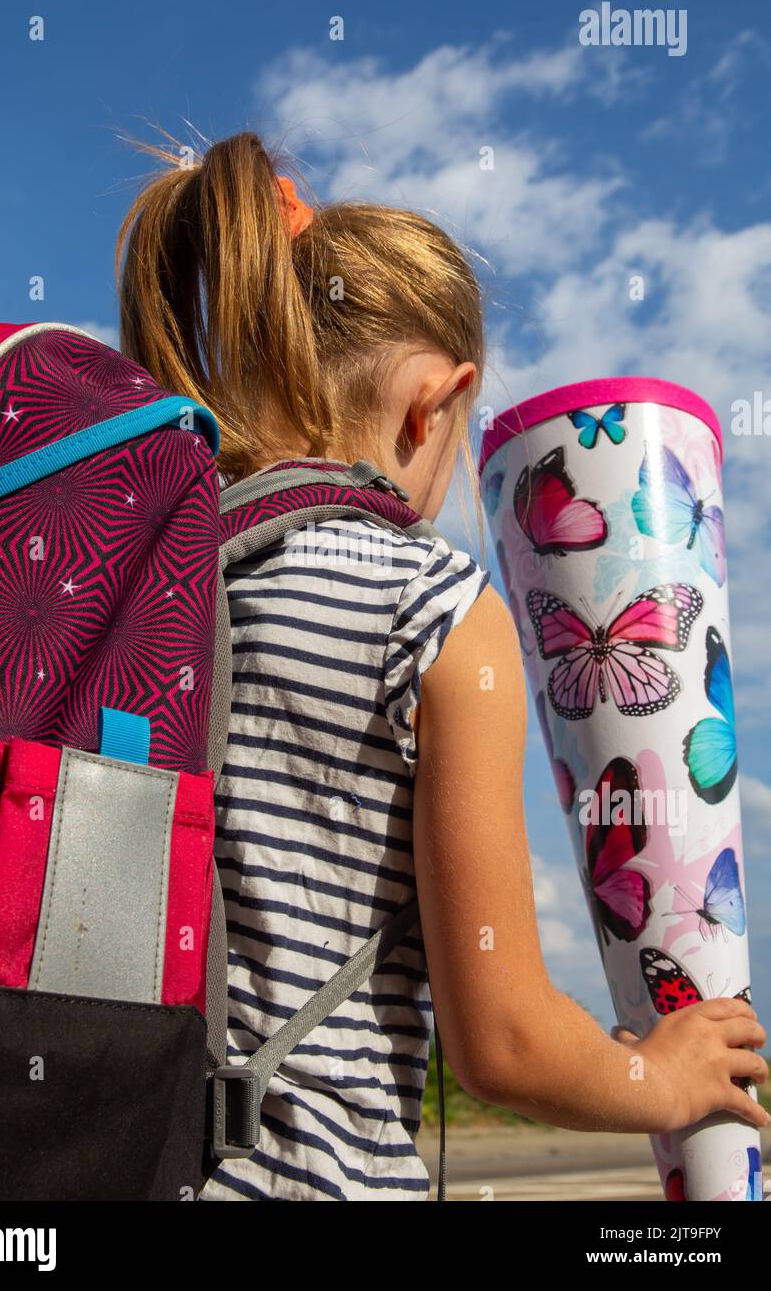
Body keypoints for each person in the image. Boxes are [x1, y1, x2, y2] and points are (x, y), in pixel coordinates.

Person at [115, 131, 768, 1201]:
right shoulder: (431, 605)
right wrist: (659, 1073)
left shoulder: (154, 569)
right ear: (434, 400)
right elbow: (500, 1040)